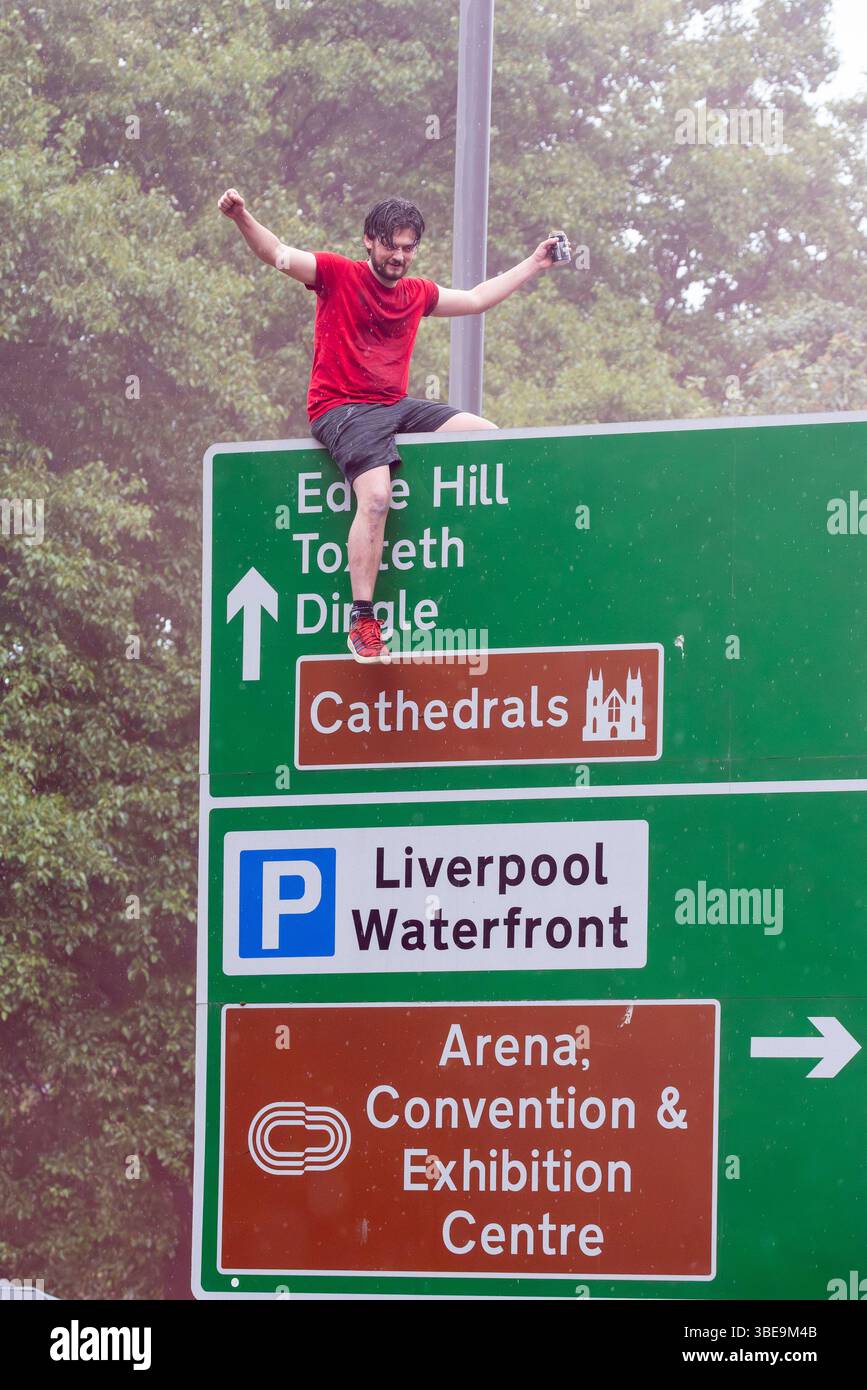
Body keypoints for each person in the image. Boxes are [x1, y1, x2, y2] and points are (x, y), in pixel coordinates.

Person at [218, 189, 571, 662]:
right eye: (391, 246)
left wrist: (533, 262)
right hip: (341, 408)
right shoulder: (338, 274)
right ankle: (362, 618)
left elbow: (475, 298)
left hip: (394, 406)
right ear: (369, 241)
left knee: (488, 437)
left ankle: (467, 564)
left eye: (408, 248)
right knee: (379, 497)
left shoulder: (415, 293)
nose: (399, 257)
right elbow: (278, 254)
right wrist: (242, 215)